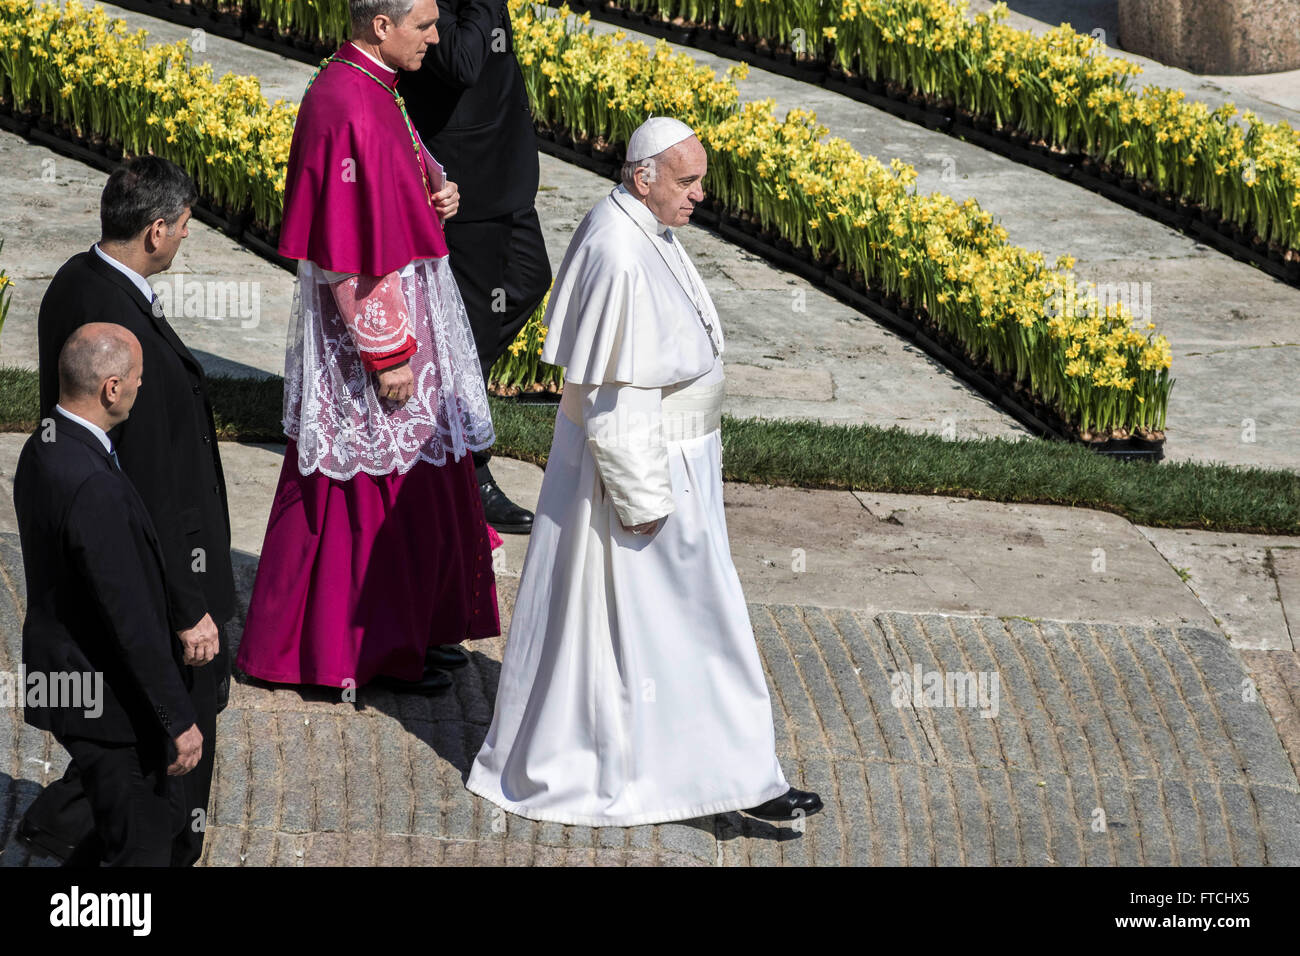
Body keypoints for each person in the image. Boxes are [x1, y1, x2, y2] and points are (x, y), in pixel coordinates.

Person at [466, 117, 823, 826]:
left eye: (701, 181)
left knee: (648, 630)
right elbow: (614, 399)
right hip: (644, 475)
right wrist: (643, 501)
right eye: (687, 182)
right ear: (643, 177)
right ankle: (743, 777)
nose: (698, 196)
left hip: (672, 461)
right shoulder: (620, 251)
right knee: (693, 624)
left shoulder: (639, 226)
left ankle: (716, 770)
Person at [235, 0, 500, 697]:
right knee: (371, 490)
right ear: (381, 26)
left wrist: (434, 185)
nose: (437, 38)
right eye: (426, 26)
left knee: (417, 476)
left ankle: (418, 632)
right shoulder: (344, 102)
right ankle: (362, 651)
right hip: (375, 339)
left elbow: (401, 161)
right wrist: (387, 353)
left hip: (407, 315)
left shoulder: (374, 85)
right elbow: (344, 256)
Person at [28, 156, 231, 866]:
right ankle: (168, 845)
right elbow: (146, 483)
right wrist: (186, 604)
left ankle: (69, 821)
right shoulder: (119, 329)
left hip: (131, 551)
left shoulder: (72, 284)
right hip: (163, 570)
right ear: (154, 230)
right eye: (181, 229)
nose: (182, 240)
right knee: (177, 724)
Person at [15, 324, 204, 866]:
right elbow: (132, 622)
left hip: (71, 682)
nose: (143, 390)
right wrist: (177, 720)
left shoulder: (43, 447)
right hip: (111, 706)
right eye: (139, 380)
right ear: (112, 388)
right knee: (139, 851)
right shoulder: (92, 484)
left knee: (122, 827)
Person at [401, 0, 551, 535]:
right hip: (464, 183)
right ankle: (469, 469)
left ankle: (441, 399)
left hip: (502, 171)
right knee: (478, 321)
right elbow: (463, 61)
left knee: (530, 279)